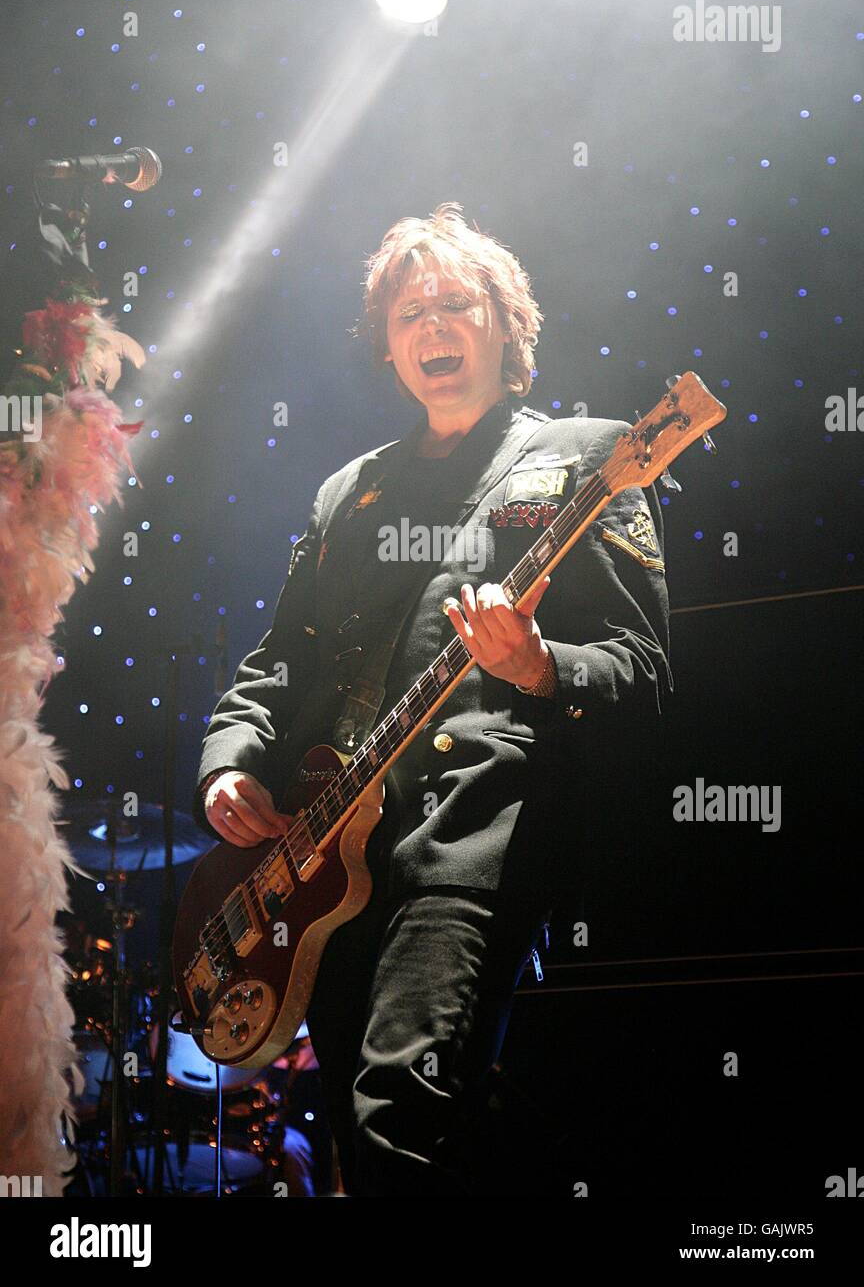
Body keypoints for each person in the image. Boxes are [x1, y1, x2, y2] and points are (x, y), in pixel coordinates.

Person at [192, 202, 673, 1196]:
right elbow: (275, 663)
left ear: (508, 325)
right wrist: (231, 762)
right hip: (324, 865)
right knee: (360, 1150)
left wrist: (541, 665)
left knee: (397, 1110)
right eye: (410, 315)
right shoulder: (346, 496)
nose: (432, 328)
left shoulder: (593, 454)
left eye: (456, 304)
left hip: (467, 846)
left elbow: (643, 667)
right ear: (390, 350)